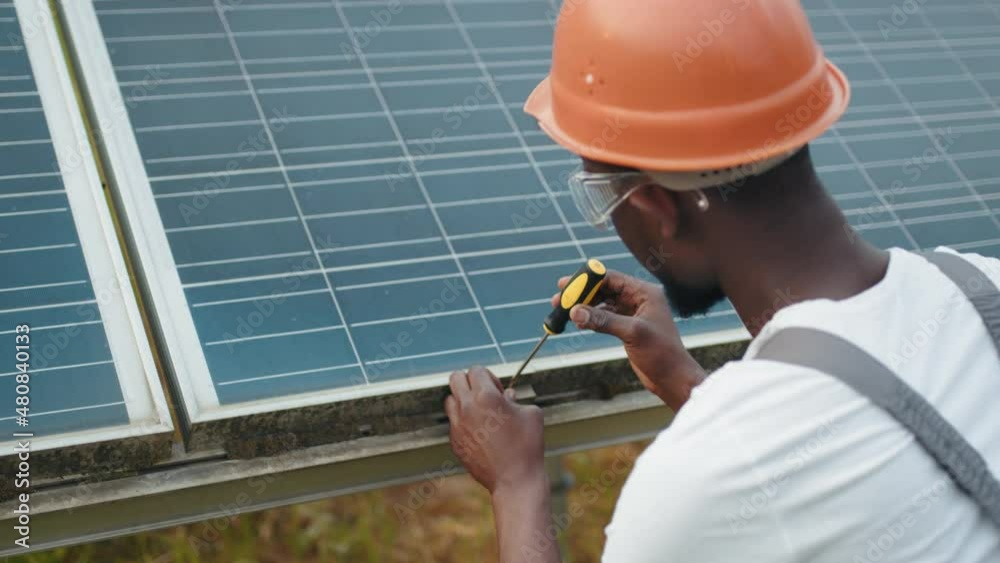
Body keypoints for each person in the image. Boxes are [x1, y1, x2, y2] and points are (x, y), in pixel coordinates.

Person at [443, 0, 1000, 561]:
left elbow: (769, 464)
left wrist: (517, 487)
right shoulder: (982, 284)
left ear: (657, 207)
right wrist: (685, 382)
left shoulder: (699, 478)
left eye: (604, 196)